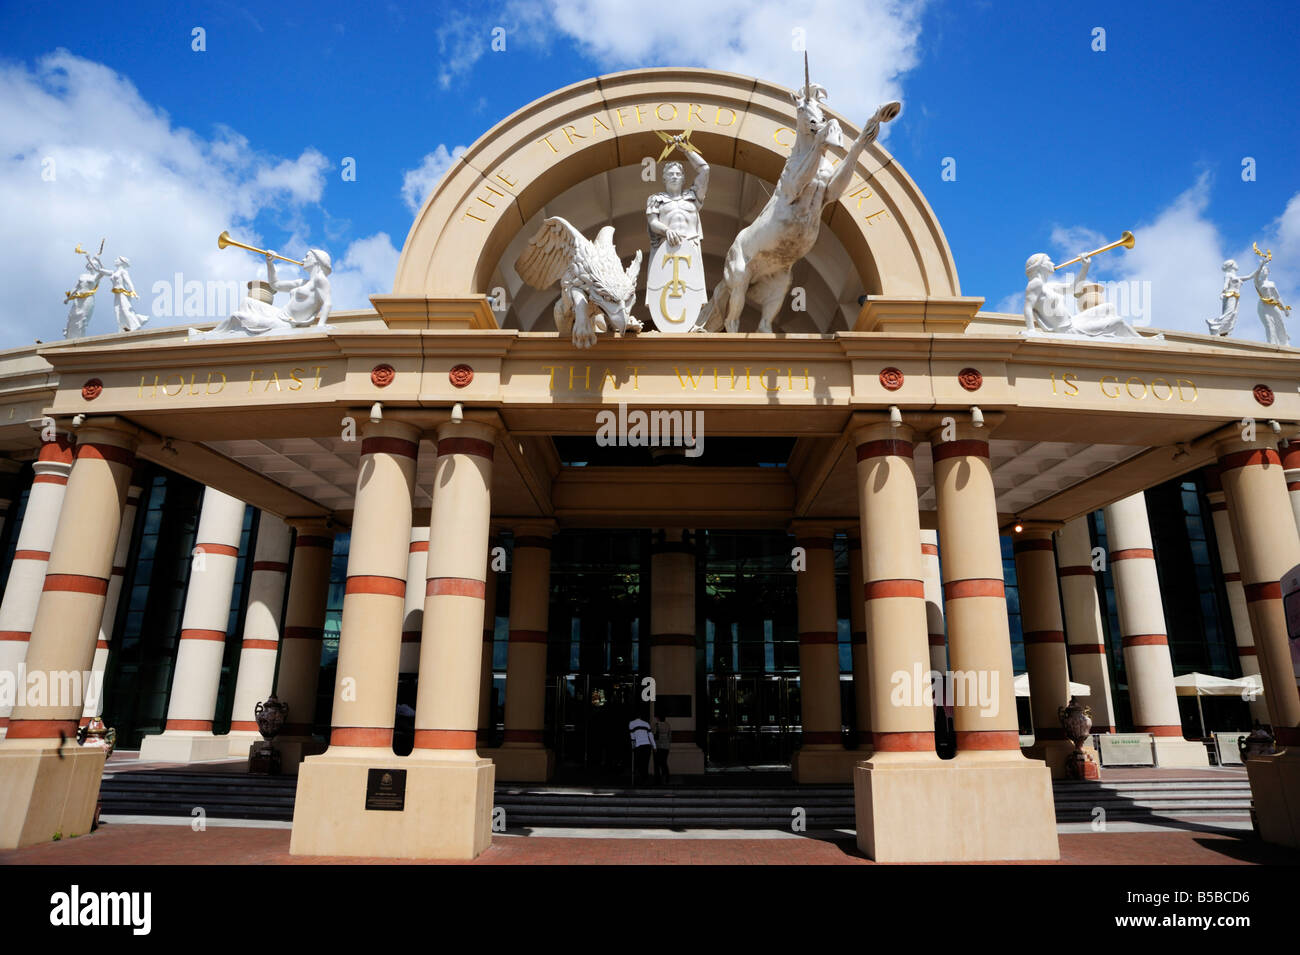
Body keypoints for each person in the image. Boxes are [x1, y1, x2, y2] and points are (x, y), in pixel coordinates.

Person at [628, 711, 655, 787]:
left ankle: (642, 779)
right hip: (647, 746)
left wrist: (633, 747)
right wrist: (654, 746)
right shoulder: (646, 723)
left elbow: (632, 737)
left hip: (639, 746)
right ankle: (644, 779)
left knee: (639, 763)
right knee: (645, 763)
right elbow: (650, 736)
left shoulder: (631, 723)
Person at [651, 711, 672, 785]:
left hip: (658, 746)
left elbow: (653, 736)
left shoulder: (656, 725)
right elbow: (670, 737)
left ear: (658, 718)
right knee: (664, 762)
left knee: (657, 764)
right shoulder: (668, 725)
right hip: (666, 747)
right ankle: (666, 777)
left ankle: (658, 779)